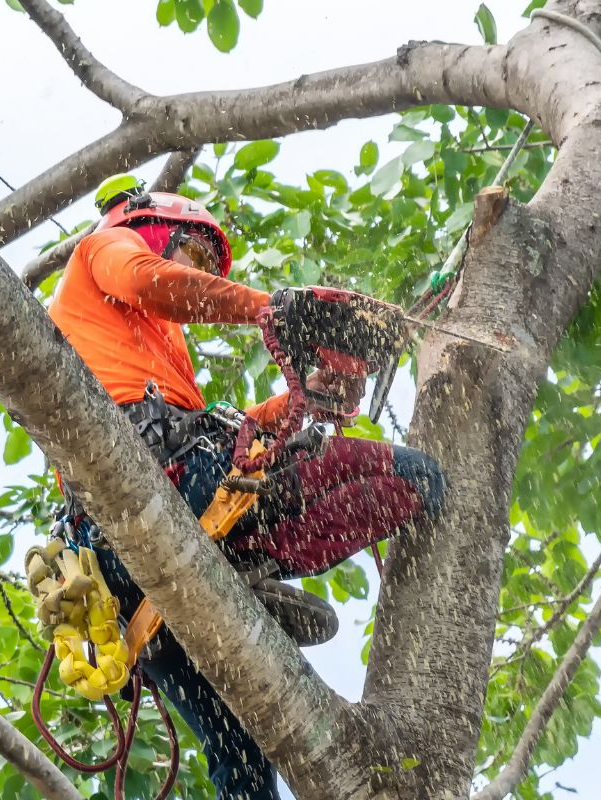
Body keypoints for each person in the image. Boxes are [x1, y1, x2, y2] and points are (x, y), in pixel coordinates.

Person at [42, 175, 446, 799]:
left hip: (162, 552)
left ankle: (242, 575)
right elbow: (156, 282)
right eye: (195, 253)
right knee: (414, 473)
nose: (198, 270)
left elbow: (224, 431)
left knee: (244, 758)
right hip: (159, 497)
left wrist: (297, 400)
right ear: (151, 227)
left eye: (206, 263)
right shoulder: (105, 251)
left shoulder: (154, 352)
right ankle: (244, 571)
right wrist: (271, 307)